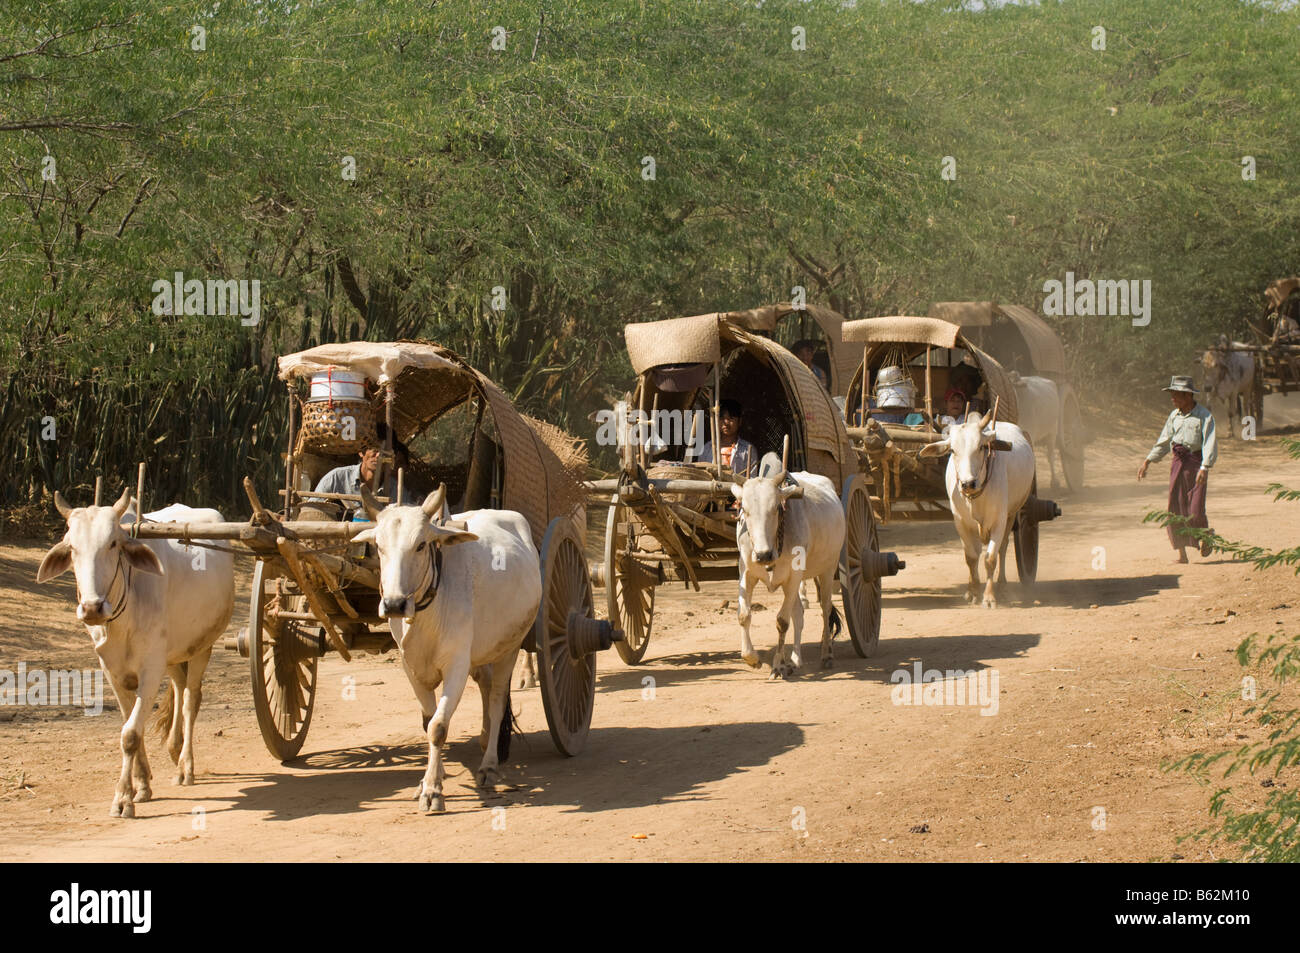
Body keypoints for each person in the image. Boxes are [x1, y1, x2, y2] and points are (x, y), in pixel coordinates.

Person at [1138, 375, 1218, 564]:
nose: (1173, 399)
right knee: (1174, 508)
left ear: (1188, 396)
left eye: (1176, 395)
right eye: (1172, 395)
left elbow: (1210, 443)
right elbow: (1164, 441)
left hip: (1196, 464)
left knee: (1195, 509)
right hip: (1177, 464)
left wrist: (1205, 467)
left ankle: (1206, 535)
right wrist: (1148, 461)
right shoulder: (1173, 416)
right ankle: (1182, 555)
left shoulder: (1204, 416)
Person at [315, 422, 421, 519]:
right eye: (375, 449)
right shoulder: (337, 479)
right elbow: (311, 511)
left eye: (386, 451)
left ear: (392, 456)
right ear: (361, 451)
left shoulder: (397, 492)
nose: (379, 455)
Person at [692, 399, 757, 478]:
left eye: (731, 418)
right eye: (722, 418)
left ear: (739, 421)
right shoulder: (707, 448)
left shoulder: (747, 450)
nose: (726, 422)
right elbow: (700, 475)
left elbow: (752, 480)